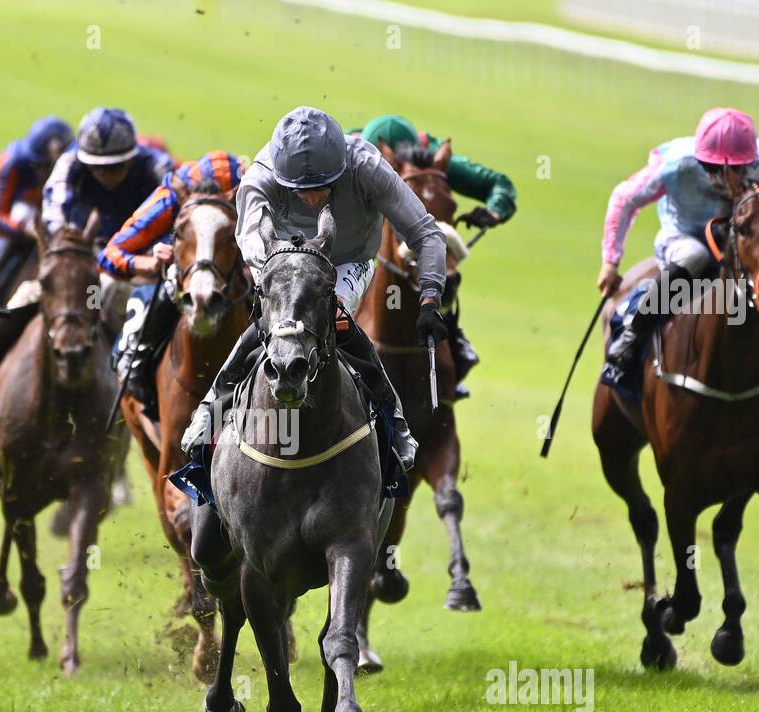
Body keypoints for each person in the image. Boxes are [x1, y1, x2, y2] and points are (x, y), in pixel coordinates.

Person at [181, 106, 449, 473]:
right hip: (279, 257)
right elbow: (249, 238)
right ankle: (213, 407)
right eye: (299, 191)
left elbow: (426, 232)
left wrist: (431, 298)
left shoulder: (367, 166)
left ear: (341, 169)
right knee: (276, 322)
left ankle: (392, 419)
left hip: (347, 260)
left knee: (333, 317)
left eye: (322, 188)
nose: (310, 198)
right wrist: (285, 273)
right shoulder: (261, 174)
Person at [598, 107, 759, 393]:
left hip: (737, 241)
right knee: (694, 256)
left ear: (750, 161)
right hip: (683, 237)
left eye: (736, 169)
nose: (721, 178)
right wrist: (611, 262)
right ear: (699, 159)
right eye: (711, 168)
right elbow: (624, 199)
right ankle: (633, 335)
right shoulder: (675, 163)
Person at [0, 107, 174, 396]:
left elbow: (179, 221)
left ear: (133, 157)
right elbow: (55, 231)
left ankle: (141, 382)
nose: (109, 176)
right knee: (22, 300)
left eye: (117, 167)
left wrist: (148, 256)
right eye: (99, 168)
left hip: (145, 269)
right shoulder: (67, 168)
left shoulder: (158, 168)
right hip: (81, 268)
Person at [352, 114, 517, 398]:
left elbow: (499, 184)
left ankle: (453, 344)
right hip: (359, 232)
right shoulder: (343, 148)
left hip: (416, 234)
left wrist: (493, 210)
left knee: (442, 271)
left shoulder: (431, 155)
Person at [101, 149, 249, 412]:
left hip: (235, 260)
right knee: (158, 294)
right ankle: (135, 365)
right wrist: (151, 261)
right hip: (181, 265)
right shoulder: (170, 197)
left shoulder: (253, 189)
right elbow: (111, 254)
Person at [0, 116, 73, 309]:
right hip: (25, 217)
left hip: (57, 214)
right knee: (21, 213)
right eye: (45, 168)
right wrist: (25, 229)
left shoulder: (76, 164)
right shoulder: (10, 162)